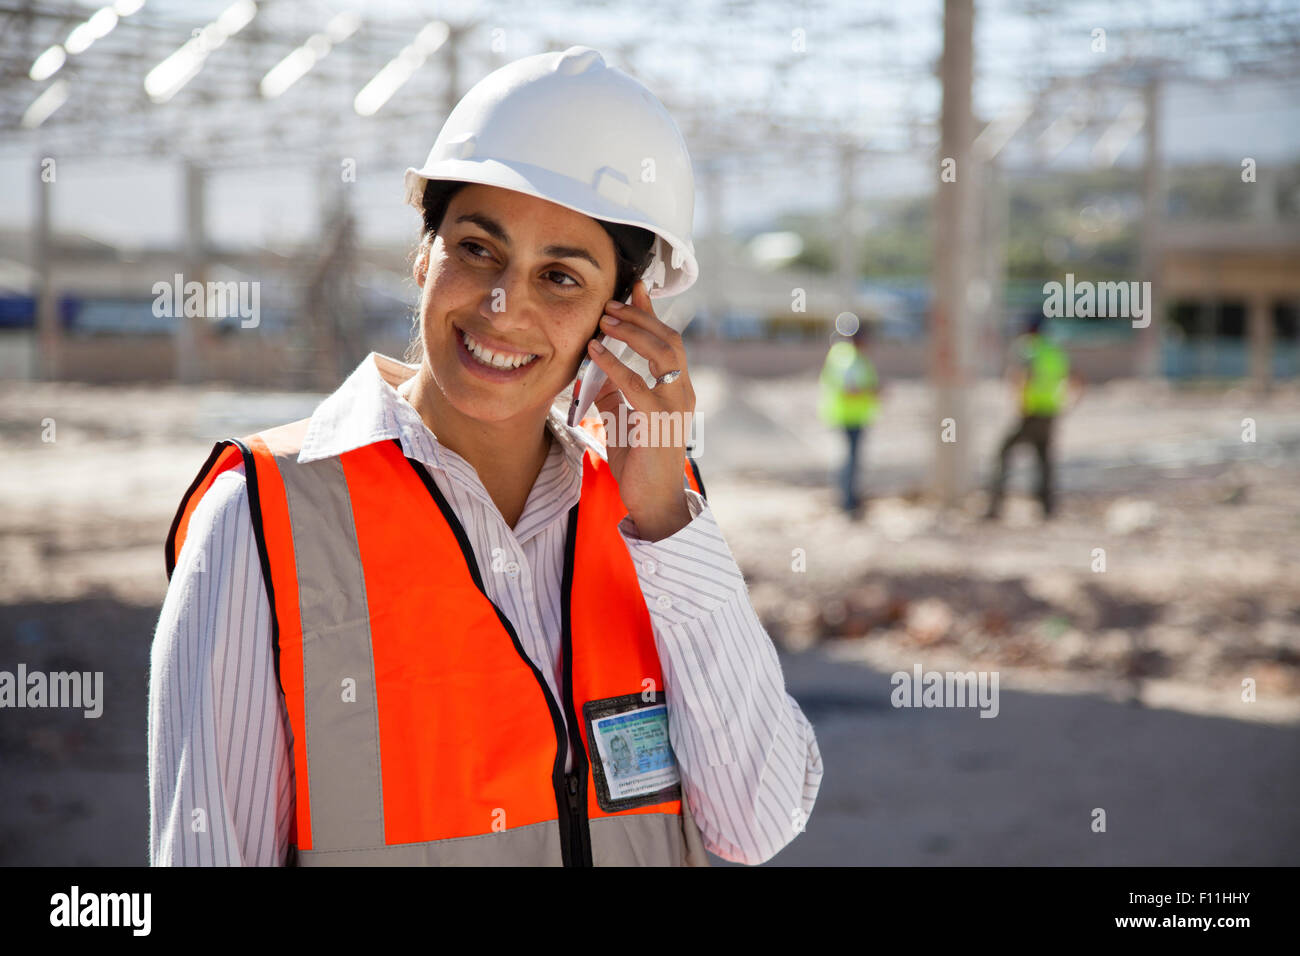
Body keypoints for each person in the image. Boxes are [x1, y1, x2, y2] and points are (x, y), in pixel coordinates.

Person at [148, 46, 821, 867]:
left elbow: (760, 821)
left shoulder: (654, 519)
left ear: (624, 314)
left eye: (562, 277)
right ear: (423, 255)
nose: (505, 307)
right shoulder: (264, 521)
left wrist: (667, 519)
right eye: (477, 249)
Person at [983, 313, 1084, 521]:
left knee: (1004, 453)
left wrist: (1020, 402)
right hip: (1050, 412)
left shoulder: (1028, 348)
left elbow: (1021, 376)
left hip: (1031, 412)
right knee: (1044, 459)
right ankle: (1047, 508)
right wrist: (1069, 404)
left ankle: (996, 505)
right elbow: (1076, 379)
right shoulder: (1055, 351)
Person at [817, 321, 881, 517]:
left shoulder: (847, 357)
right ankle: (847, 500)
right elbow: (850, 390)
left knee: (849, 458)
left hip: (852, 415)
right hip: (848, 415)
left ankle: (848, 497)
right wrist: (873, 391)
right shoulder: (848, 359)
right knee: (850, 459)